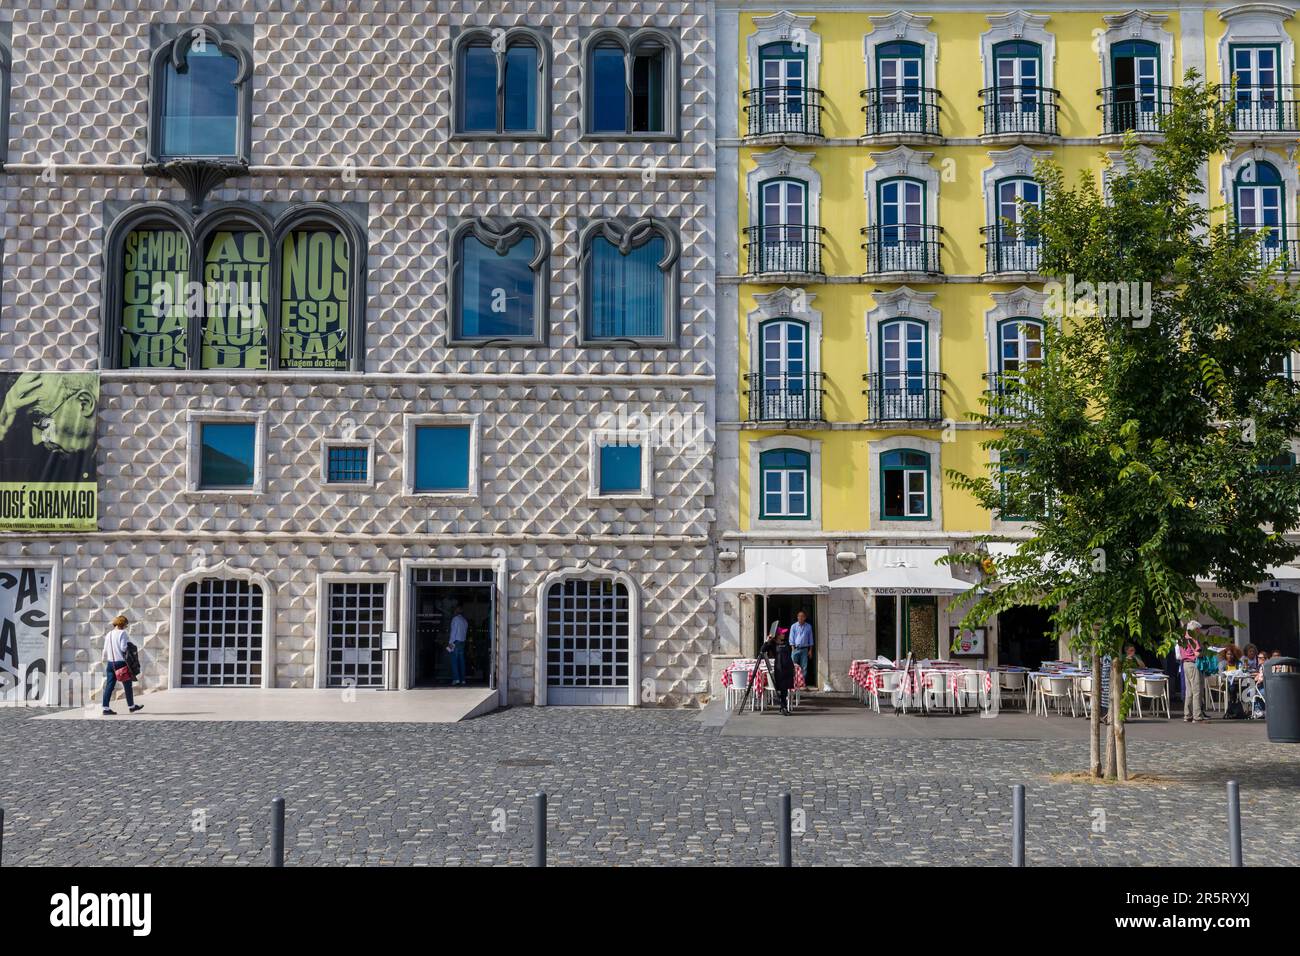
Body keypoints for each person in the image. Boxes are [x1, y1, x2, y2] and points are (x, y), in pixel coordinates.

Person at [100, 614, 142, 715]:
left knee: (109, 686)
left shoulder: (109, 634)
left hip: (110, 663)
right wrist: (130, 645)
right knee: (127, 685)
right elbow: (123, 648)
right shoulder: (122, 633)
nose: (125, 627)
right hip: (121, 663)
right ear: (122, 624)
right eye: (126, 625)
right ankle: (131, 706)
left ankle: (105, 708)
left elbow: (105, 650)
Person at [760, 627, 796, 716]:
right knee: (781, 688)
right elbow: (762, 650)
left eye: (784, 633)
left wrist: (793, 667)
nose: (784, 635)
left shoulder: (786, 643)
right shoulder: (772, 644)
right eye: (782, 633)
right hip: (779, 668)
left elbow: (789, 656)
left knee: (785, 689)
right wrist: (767, 640)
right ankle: (783, 707)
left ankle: (783, 708)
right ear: (778, 635)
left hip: (788, 667)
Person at [1178, 620, 1208, 723]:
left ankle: (1188, 715)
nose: (1199, 632)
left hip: (1185, 664)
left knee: (1189, 691)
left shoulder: (1183, 638)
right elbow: (1197, 654)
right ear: (1195, 629)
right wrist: (1205, 651)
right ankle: (1197, 716)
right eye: (1198, 629)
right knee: (1197, 691)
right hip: (1193, 664)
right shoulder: (1193, 639)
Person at [788, 610, 813, 686]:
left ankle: (802, 684)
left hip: (805, 649)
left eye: (802, 616)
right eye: (799, 616)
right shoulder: (794, 626)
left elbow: (810, 639)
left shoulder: (808, 627)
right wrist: (793, 649)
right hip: (795, 648)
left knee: (804, 667)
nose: (800, 618)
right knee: (793, 666)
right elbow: (791, 638)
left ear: (805, 618)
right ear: (797, 617)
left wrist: (810, 650)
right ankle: (793, 683)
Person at [447, 604, 468, 686]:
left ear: (456, 611)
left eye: (454, 610)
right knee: (461, 661)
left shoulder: (455, 619)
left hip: (455, 642)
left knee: (454, 661)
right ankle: (463, 679)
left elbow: (453, 632)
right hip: (462, 642)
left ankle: (456, 679)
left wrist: (450, 643)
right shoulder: (464, 620)